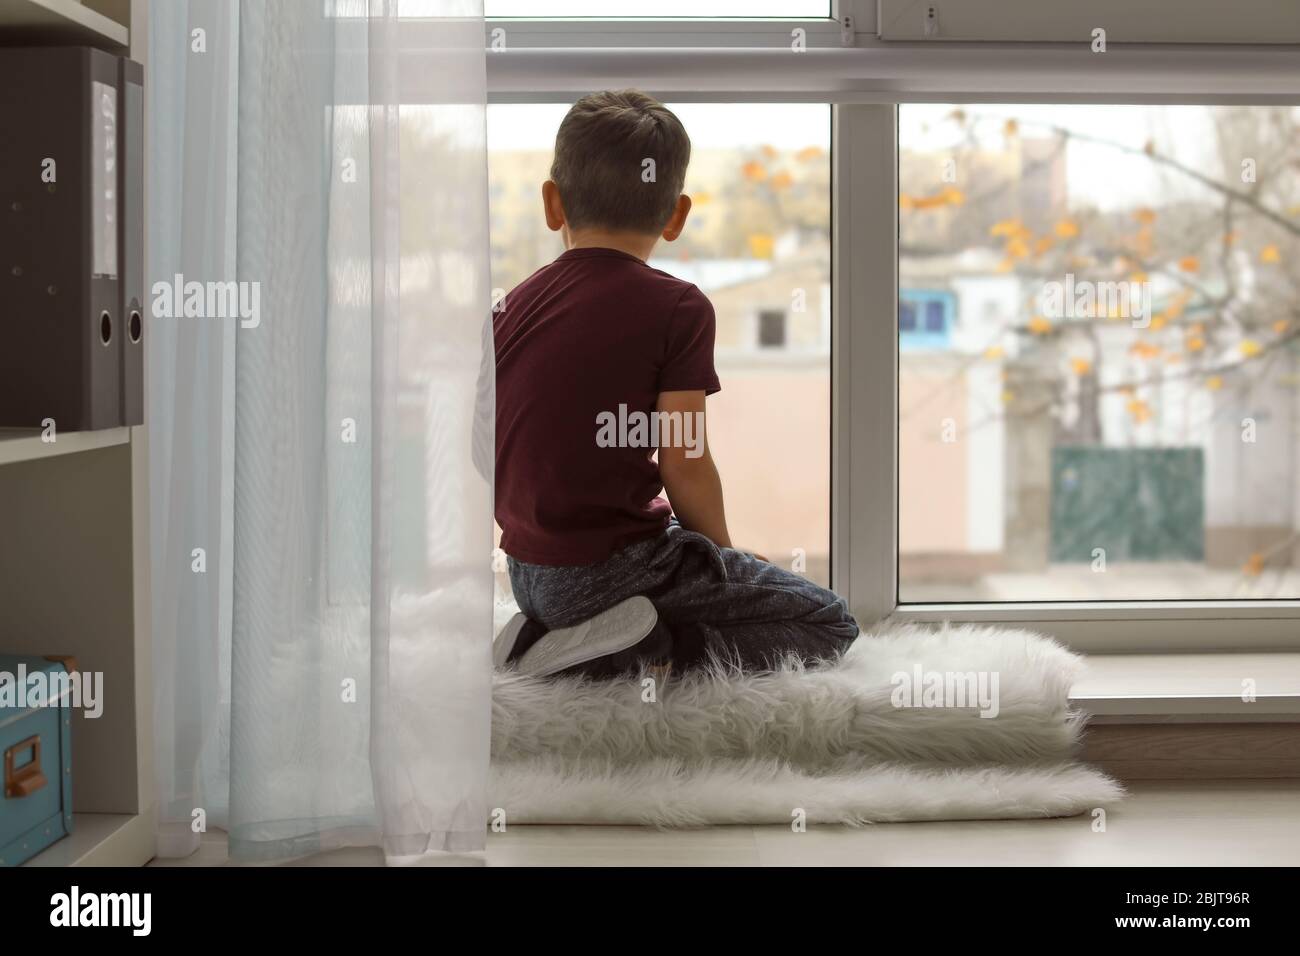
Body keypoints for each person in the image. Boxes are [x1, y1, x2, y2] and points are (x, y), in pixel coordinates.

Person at [492, 89, 858, 678]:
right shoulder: (678, 307)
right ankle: (637, 653)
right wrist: (722, 556)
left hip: (527, 576)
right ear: (675, 215)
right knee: (830, 622)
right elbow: (684, 458)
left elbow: (488, 446)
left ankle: (554, 634)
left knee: (689, 562)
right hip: (613, 572)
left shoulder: (509, 307)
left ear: (552, 203)